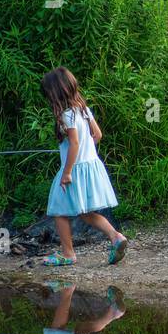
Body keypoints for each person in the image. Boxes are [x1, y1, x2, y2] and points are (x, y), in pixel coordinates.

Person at [40, 67, 129, 266]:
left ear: (55, 93)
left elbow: (74, 143)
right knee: (84, 212)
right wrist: (83, 152)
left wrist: (67, 172)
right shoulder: (83, 109)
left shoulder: (66, 115)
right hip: (90, 166)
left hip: (74, 170)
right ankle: (116, 237)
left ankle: (68, 253)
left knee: (58, 210)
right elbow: (97, 135)